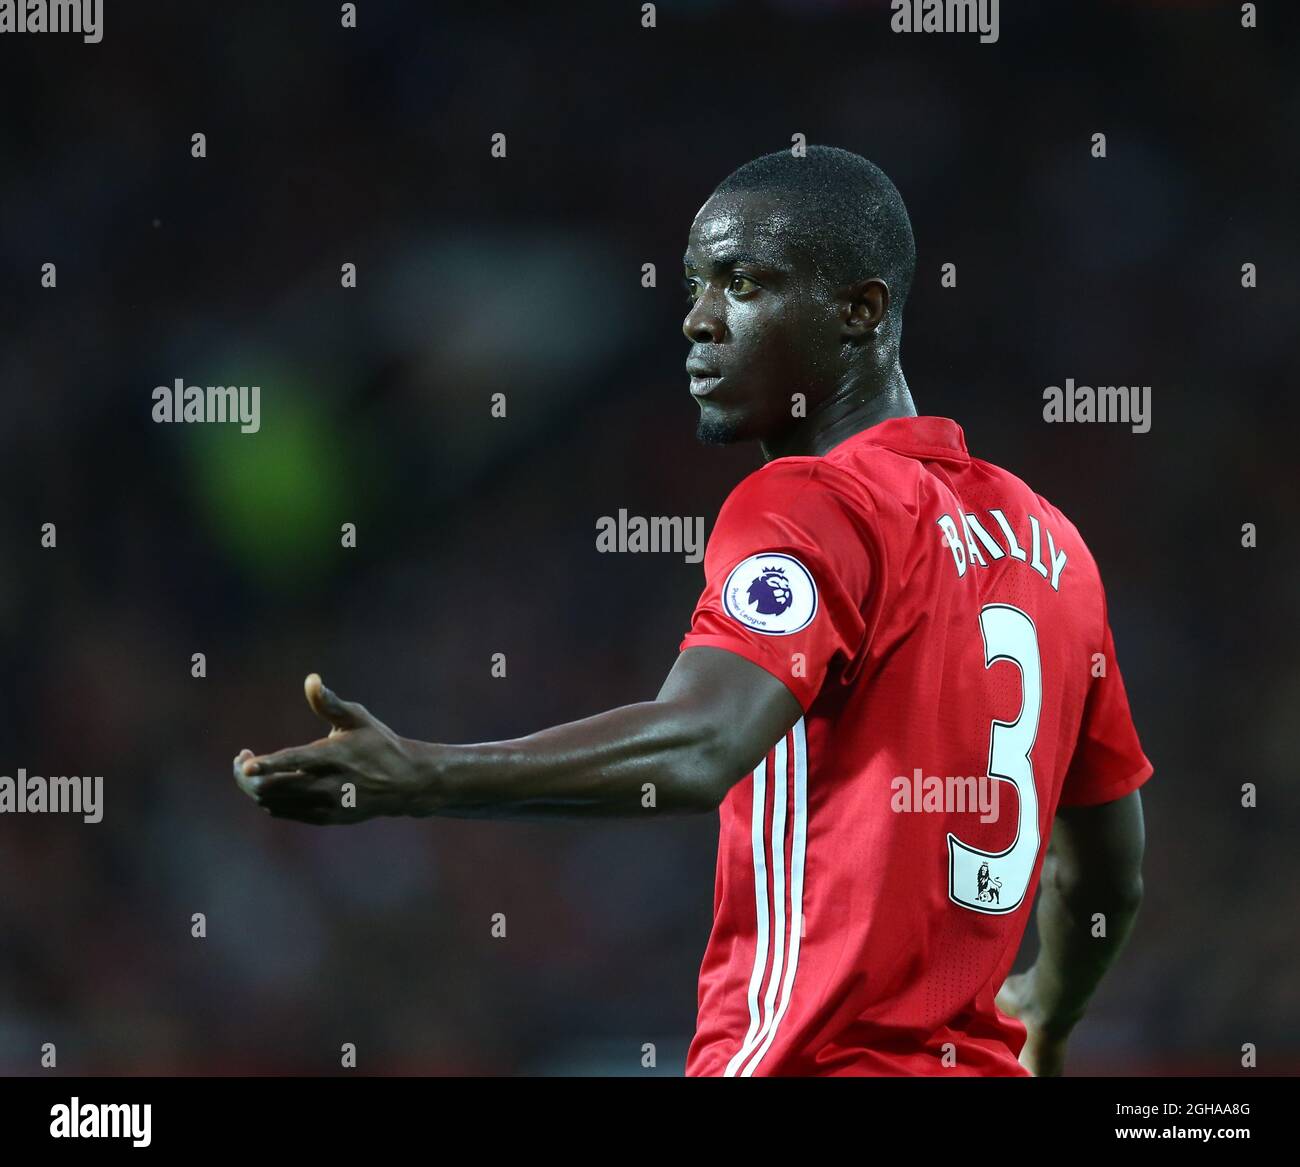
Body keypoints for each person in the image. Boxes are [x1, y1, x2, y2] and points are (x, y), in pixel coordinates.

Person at [234, 145, 1152, 1077]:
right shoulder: (1053, 548)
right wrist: (1047, 1008)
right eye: (696, 284)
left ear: (861, 310)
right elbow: (1107, 867)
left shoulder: (812, 502)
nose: (698, 319)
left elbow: (700, 747)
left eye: (743, 282)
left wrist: (419, 776)